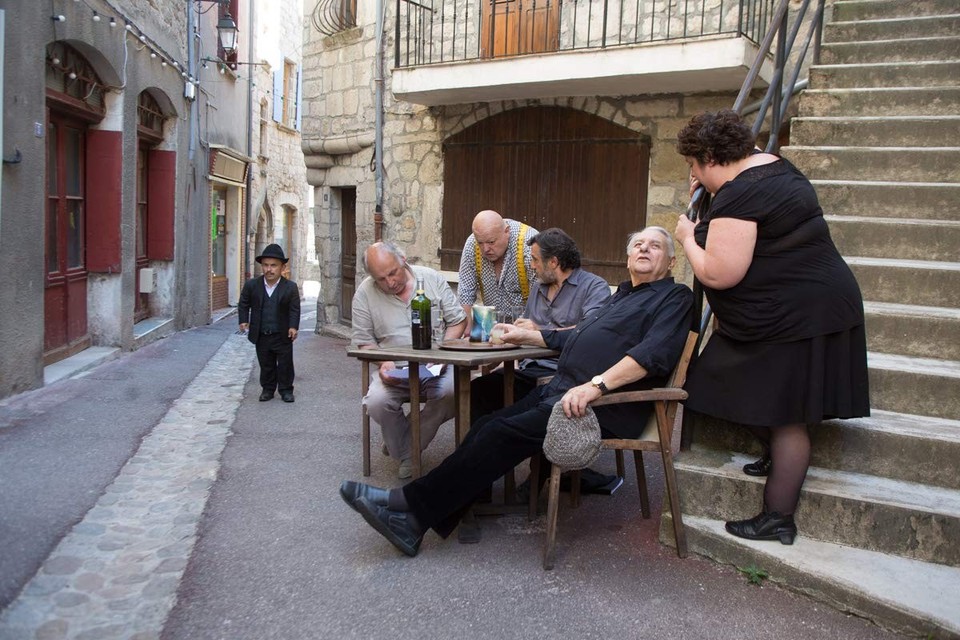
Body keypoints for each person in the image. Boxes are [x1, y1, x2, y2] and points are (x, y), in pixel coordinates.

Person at [340, 227, 693, 556]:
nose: (644, 249)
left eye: (655, 246)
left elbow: (652, 356)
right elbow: (576, 337)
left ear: (672, 261)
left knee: (499, 433)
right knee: (486, 423)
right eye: (638, 245)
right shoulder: (623, 296)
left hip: (601, 405)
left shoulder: (675, 298)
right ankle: (423, 516)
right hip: (563, 390)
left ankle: (407, 506)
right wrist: (529, 336)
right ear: (628, 258)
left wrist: (595, 386)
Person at [673, 109, 870, 545]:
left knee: (786, 417)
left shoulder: (740, 194)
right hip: (813, 302)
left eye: (694, 165)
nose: (694, 174)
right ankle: (779, 459)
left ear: (711, 157)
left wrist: (687, 236)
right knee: (727, 383)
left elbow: (721, 273)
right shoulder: (773, 165)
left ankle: (777, 517)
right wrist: (708, 188)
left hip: (799, 313)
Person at [469, 227, 614, 496]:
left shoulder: (594, 287)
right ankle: (479, 489)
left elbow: (589, 334)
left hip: (564, 376)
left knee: (522, 414)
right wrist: (514, 333)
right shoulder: (538, 287)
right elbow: (530, 329)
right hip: (529, 367)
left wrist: (539, 331)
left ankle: (537, 479)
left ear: (554, 262)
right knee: (481, 389)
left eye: (535, 260)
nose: (532, 266)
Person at [352, 242, 467, 479]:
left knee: (453, 392)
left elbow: (458, 320)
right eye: (381, 279)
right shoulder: (365, 293)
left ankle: (403, 447)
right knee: (376, 402)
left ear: (403, 259)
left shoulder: (431, 279)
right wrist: (383, 363)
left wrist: (444, 352)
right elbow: (364, 341)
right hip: (395, 367)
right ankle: (409, 450)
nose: (390, 282)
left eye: (393, 273)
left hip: (436, 364)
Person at [457, 210, 538, 335]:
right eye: (480, 243)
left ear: (507, 232)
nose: (485, 249)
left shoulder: (529, 245)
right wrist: (467, 331)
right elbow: (465, 293)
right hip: (490, 329)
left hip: (525, 328)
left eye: (491, 242)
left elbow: (540, 298)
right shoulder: (472, 243)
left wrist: (526, 332)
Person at [238, 243, 301, 403]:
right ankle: (267, 389)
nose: (269, 269)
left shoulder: (290, 287)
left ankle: (286, 390)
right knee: (266, 364)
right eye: (266, 265)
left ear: (282, 267)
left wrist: (293, 326)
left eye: (273, 265)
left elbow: (294, 309)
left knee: (285, 364)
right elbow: (243, 303)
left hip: (282, 334)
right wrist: (244, 320)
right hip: (262, 333)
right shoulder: (252, 285)